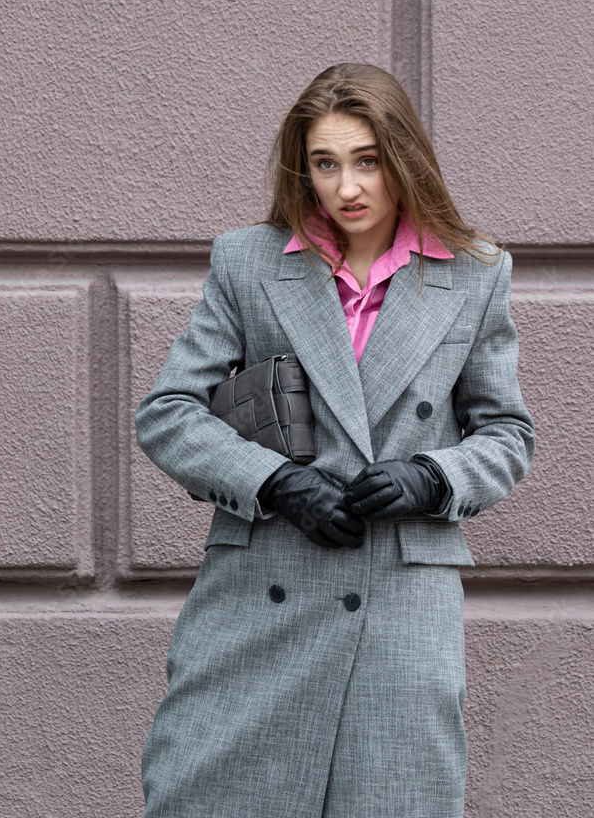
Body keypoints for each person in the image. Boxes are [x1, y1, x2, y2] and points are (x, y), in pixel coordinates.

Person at [134, 63, 535, 818]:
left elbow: (507, 434)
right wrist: (273, 481)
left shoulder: (475, 274)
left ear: (402, 159)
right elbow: (168, 413)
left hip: (399, 609)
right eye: (324, 163)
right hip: (262, 593)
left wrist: (432, 476)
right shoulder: (248, 262)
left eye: (367, 161)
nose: (346, 187)